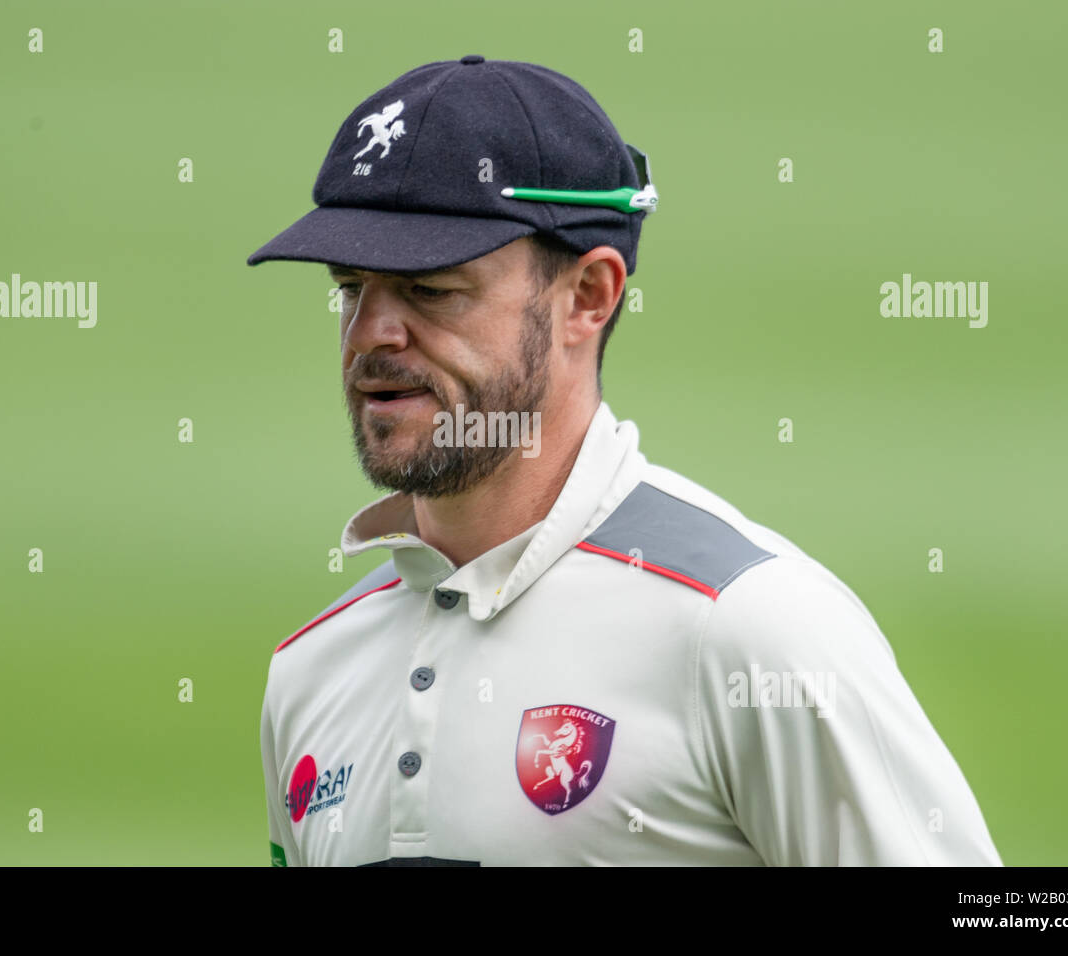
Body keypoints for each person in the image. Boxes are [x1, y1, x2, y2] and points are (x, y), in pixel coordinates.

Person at [247, 55, 1002, 866]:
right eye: (349, 285)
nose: (370, 334)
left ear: (588, 297)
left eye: (431, 290)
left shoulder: (749, 630)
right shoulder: (310, 670)